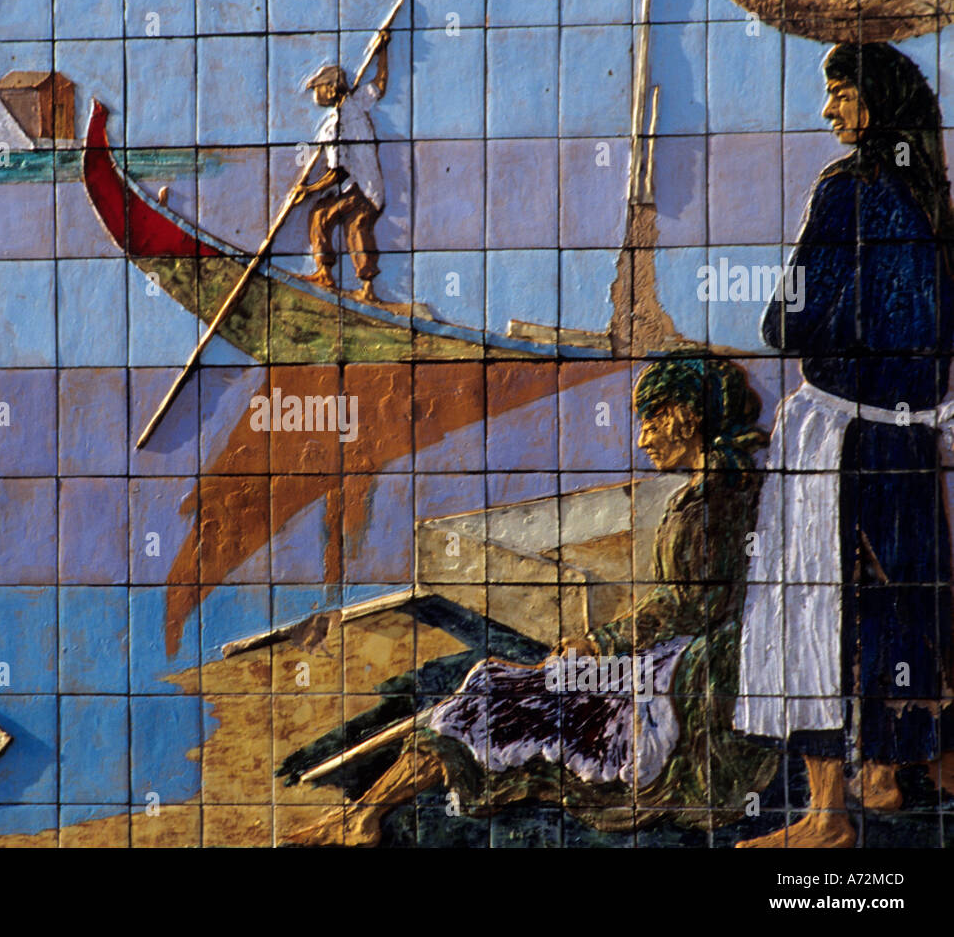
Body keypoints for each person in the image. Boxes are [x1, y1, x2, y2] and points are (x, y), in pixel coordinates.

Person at [286, 357, 778, 846]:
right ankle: (364, 814)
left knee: (498, 693)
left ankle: (364, 819)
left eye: (651, 421)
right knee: (497, 685)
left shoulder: (713, 502)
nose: (644, 439)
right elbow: (683, 603)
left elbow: (685, 608)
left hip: (675, 678)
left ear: (685, 416)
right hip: (672, 660)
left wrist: (597, 643)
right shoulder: (716, 492)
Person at [734, 42, 954, 848]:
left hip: (838, 433)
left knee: (812, 612)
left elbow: (781, 321)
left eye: (838, 93)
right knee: (902, 604)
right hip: (910, 438)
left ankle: (826, 817)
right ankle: (889, 777)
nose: (828, 111)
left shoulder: (845, 190)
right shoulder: (934, 198)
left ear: (869, 99)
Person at [292, 29, 391, 306]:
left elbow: (339, 172)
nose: (315, 93)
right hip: (359, 187)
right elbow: (380, 83)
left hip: (365, 188)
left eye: (319, 87)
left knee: (353, 224)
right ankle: (327, 274)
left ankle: (365, 287)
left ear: (332, 88)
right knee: (325, 215)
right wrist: (383, 51)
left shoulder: (339, 123)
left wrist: (308, 189)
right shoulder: (356, 103)